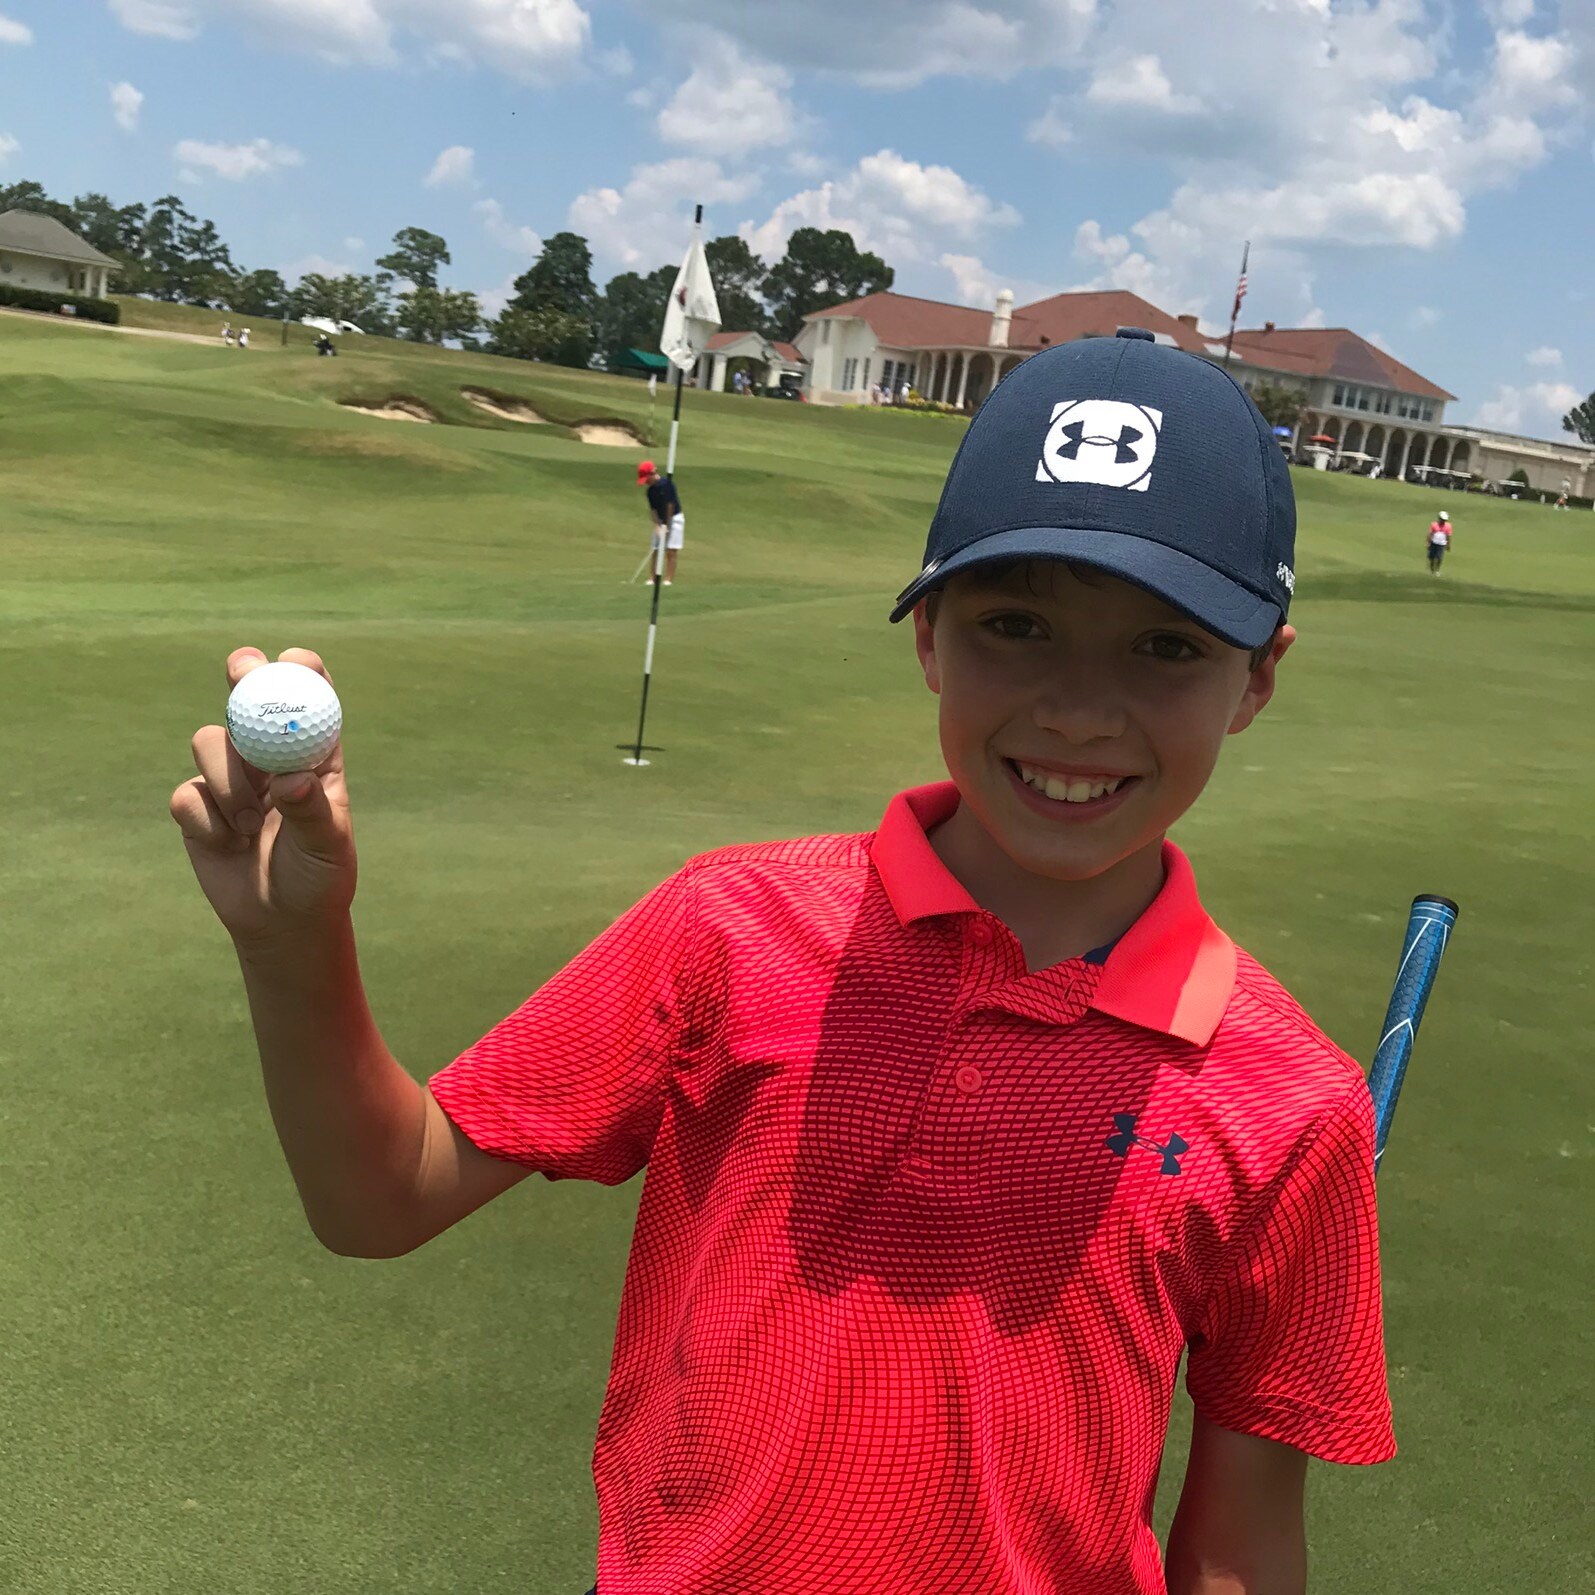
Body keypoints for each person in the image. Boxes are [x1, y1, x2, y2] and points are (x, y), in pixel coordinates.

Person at [169, 329, 1394, 1595]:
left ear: (1258, 677)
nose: (1078, 707)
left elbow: (1237, 1549)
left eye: (1165, 646)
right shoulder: (732, 923)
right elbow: (380, 1199)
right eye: (1014, 623)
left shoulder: (1289, 1099)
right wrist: (293, 938)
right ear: (926, 634)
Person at [636, 458, 684, 585]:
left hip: (674, 518)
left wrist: (666, 526)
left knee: (671, 550)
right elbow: (653, 510)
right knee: (656, 549)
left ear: (652, 473)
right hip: (661, 520)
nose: (646, 482)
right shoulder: (650, 491)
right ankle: (652, 578)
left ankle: (668, 580)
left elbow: (670, 506)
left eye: (646, 479)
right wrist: (657, 526)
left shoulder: (667, 485)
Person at [1426, 509, 1452, 573]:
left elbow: (1448, 536)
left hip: (1442, 544)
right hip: (1433, 543)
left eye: (1444, 520)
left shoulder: (1448, 526)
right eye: (1442, 519)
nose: (1443, 521)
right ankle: (1432, 569)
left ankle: (1437, 570)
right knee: (1431, 557)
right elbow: (1430, 534)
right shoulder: (1434, 524)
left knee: (1439, 558)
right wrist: (1428, 543)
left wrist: (1448, 545)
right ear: (1439, 518)